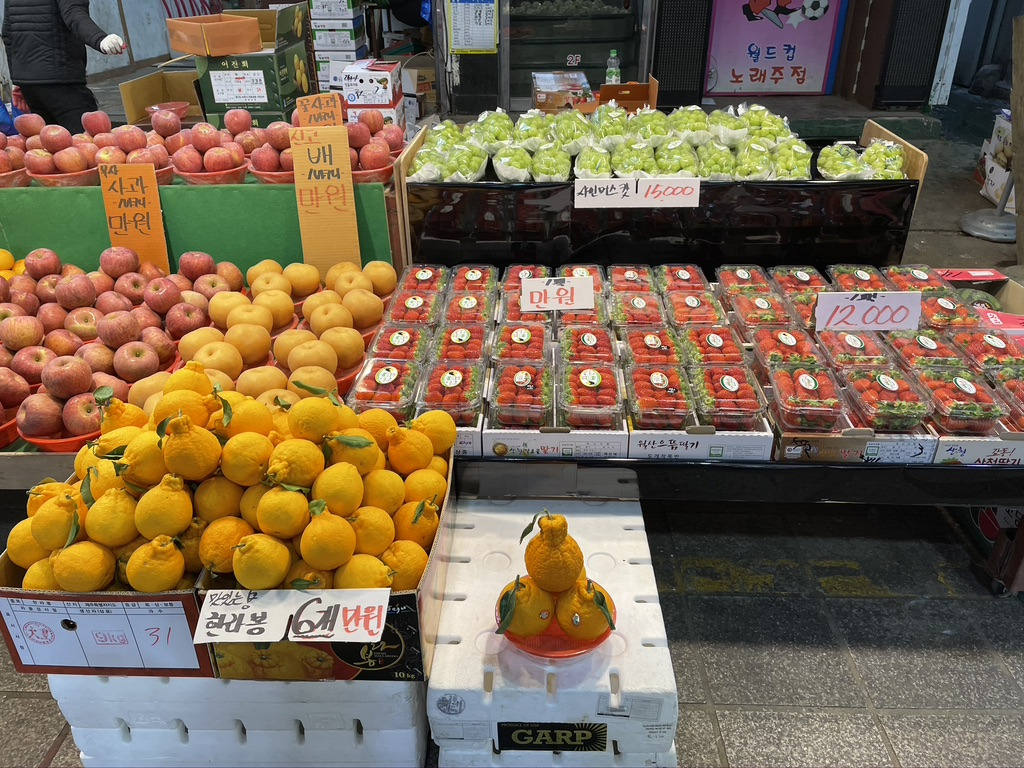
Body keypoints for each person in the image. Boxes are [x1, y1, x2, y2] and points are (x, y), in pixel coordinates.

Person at [1, 0, 125, 133]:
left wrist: (18, 79)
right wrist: (100, 39)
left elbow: (8, 34)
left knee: (50, 145)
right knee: (88, 142)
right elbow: (74, 15)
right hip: (62, 83)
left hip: (30, 87)